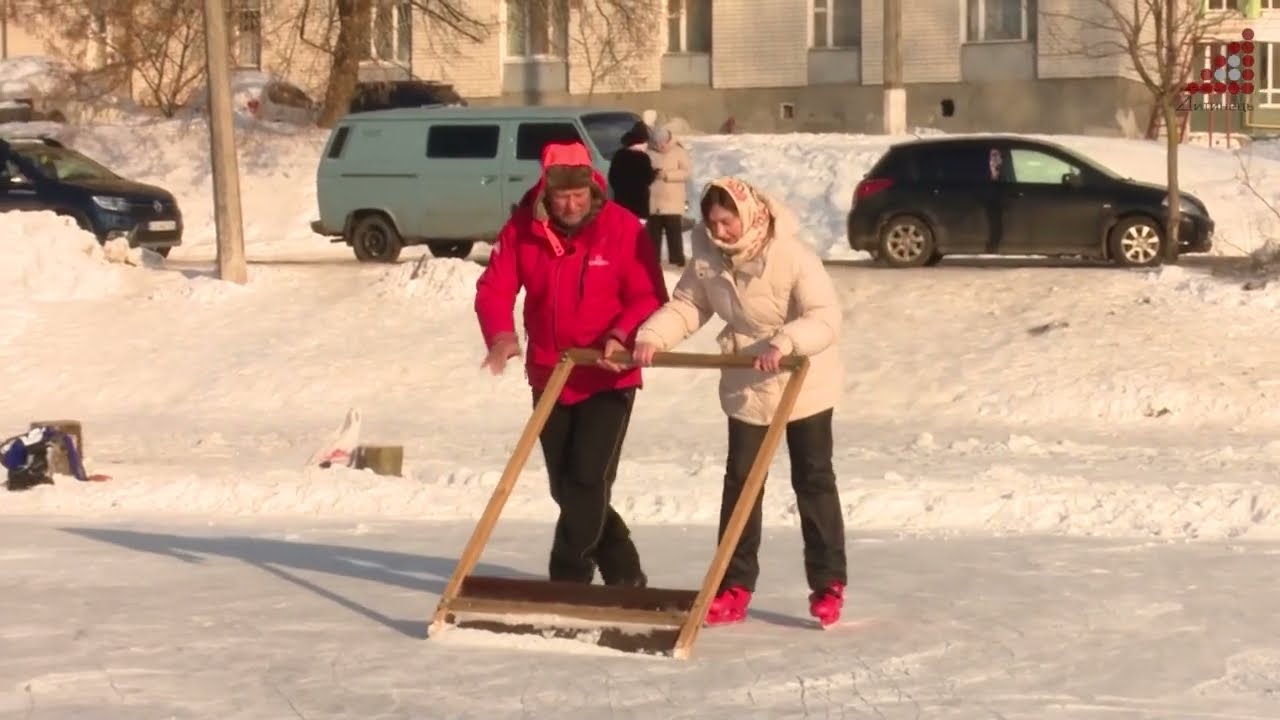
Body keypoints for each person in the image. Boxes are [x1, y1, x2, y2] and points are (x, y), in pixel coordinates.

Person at [630, 177, 847, 627]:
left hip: (801, 380)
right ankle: (735, 585)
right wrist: (653, 336)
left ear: (747, 213)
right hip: (747, 381)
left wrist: (786, 342)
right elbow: (688, 306)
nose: (720, 231)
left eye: (727, 221)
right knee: (742, 484)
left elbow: (824, 317)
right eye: (712, 222)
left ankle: (828, 584)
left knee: (813, 479)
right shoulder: (708, 258)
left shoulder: (792, 254)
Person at [474, 141, 669, 587]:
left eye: (579, 195)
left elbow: (648, 295)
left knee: (585, 483)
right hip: (551, 373)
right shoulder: (522, 230)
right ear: (545, 193)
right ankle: (626, 574)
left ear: (592, 188)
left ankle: (567, 577)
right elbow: (495, 289)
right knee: (568, 489)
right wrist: (501, 334)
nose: (572, 204)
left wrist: (620, 335)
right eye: (562, 196)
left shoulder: (620, 228)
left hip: (607, 377)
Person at [646, 126, 691, 267]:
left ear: (668, 141)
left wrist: (667, 175)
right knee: (653, 234)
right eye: (657, 144)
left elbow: (687, 172)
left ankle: (677, 260)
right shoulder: (648, 153)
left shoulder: (679, 152)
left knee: (674, 233)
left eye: (663, 143)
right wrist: (651, 174)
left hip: (672, 201)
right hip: (654, 202)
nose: (660, 146)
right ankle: (653, 261)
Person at [607, 121, 656, 221]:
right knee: (637, 233)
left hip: (621, 203)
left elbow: (612, 178)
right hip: (639, 205)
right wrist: (654, 173)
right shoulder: (643, 158)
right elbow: (648, 178)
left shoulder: (619, 155)